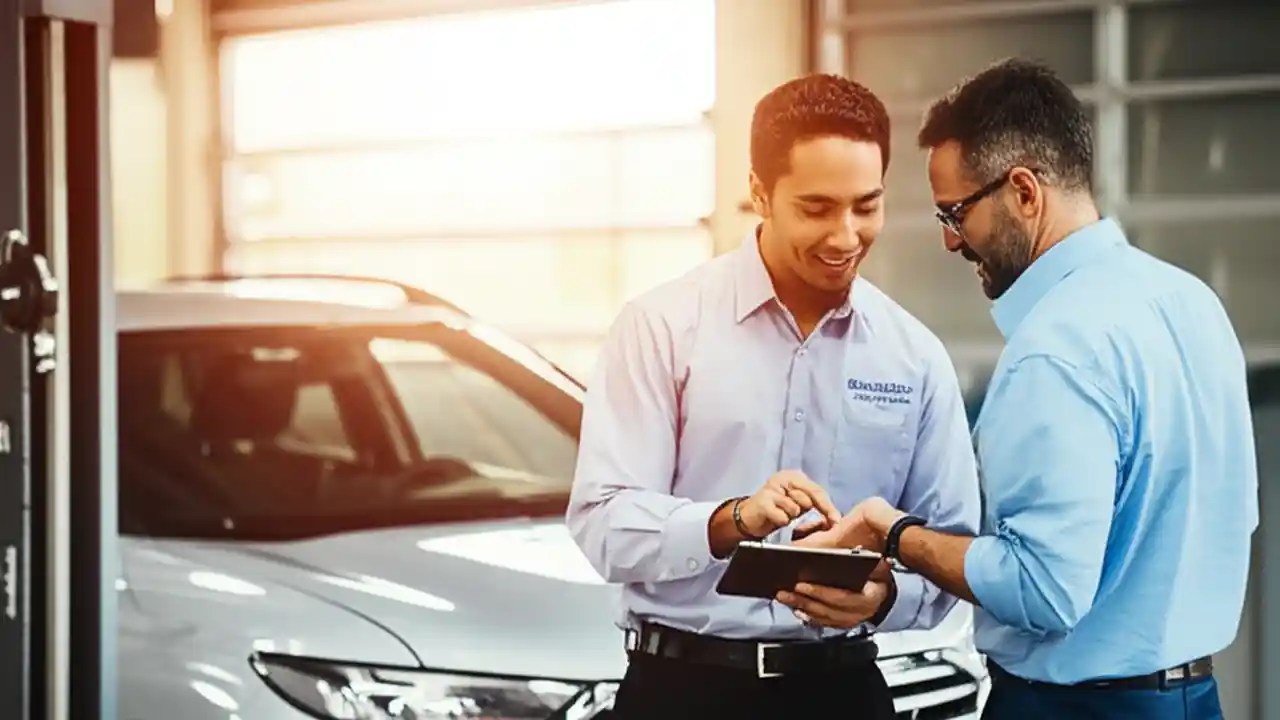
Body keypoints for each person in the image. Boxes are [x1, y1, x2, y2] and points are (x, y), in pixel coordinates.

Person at [798, 59, 1258, 719]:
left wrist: (894, 532)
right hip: (1193, 697)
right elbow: (1233, 515)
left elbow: (1043, 590)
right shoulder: (1191, 302)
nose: (949, 241)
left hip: (1074, 708)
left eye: (955, 213)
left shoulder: (1056, 349)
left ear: (1023, 192)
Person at [566, 73, 980, 719]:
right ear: (760, 193)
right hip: (682, 693)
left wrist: (883, 600)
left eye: (865, 206)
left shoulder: (914, 353)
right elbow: (604, 526)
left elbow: (950, 543)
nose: (845, 236)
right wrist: (733, 521)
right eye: (816, 208)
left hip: (845, 693)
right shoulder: (663, 327)